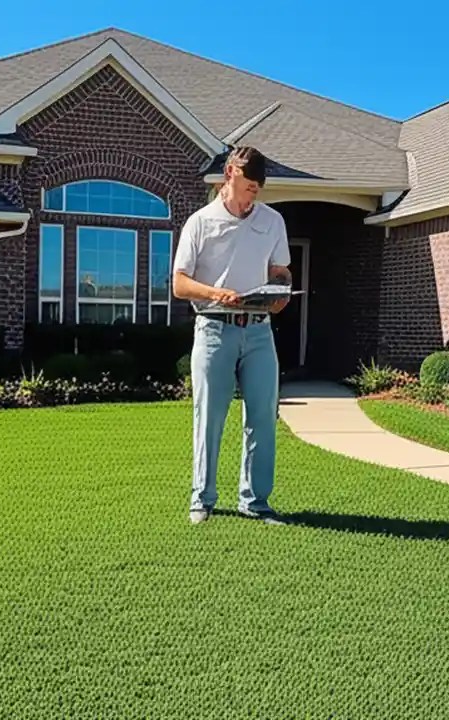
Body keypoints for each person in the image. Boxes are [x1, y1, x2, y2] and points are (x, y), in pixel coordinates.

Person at [172, 146, 292, 525]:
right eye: (247, 186)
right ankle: (202, 499)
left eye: (258, 189)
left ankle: (256, 502)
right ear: (229, 174)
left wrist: (281, 291)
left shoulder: (272, 221)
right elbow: (179, 283)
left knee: (262, 418)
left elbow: (281, 272)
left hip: (258, 333)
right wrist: (214, 293)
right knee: (209, 418)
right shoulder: (200, 222)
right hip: (213, 329)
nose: (252, 195)